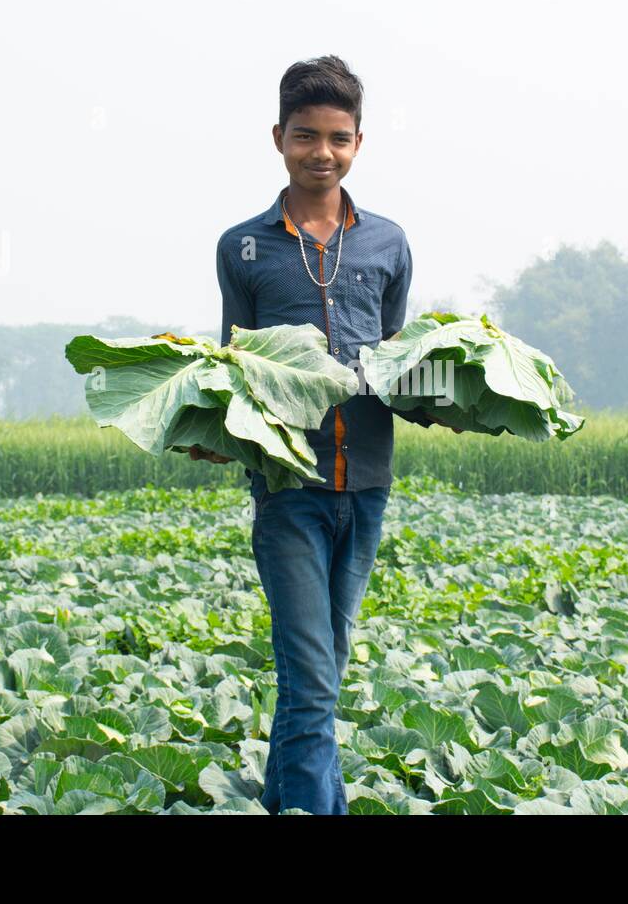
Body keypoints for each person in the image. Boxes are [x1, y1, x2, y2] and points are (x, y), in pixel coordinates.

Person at [191, 55, 461, 815]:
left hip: (367, 485)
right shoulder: (243, 247)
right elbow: (237, 366)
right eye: (306, 136)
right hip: (289, 492)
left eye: (338, 138)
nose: (322, 153)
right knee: (312, 684)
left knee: (320, 679)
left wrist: (454, 397)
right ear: (278, 138)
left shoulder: (388, 245)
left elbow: (399, 359)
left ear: (358, 144)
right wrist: (213, 432)